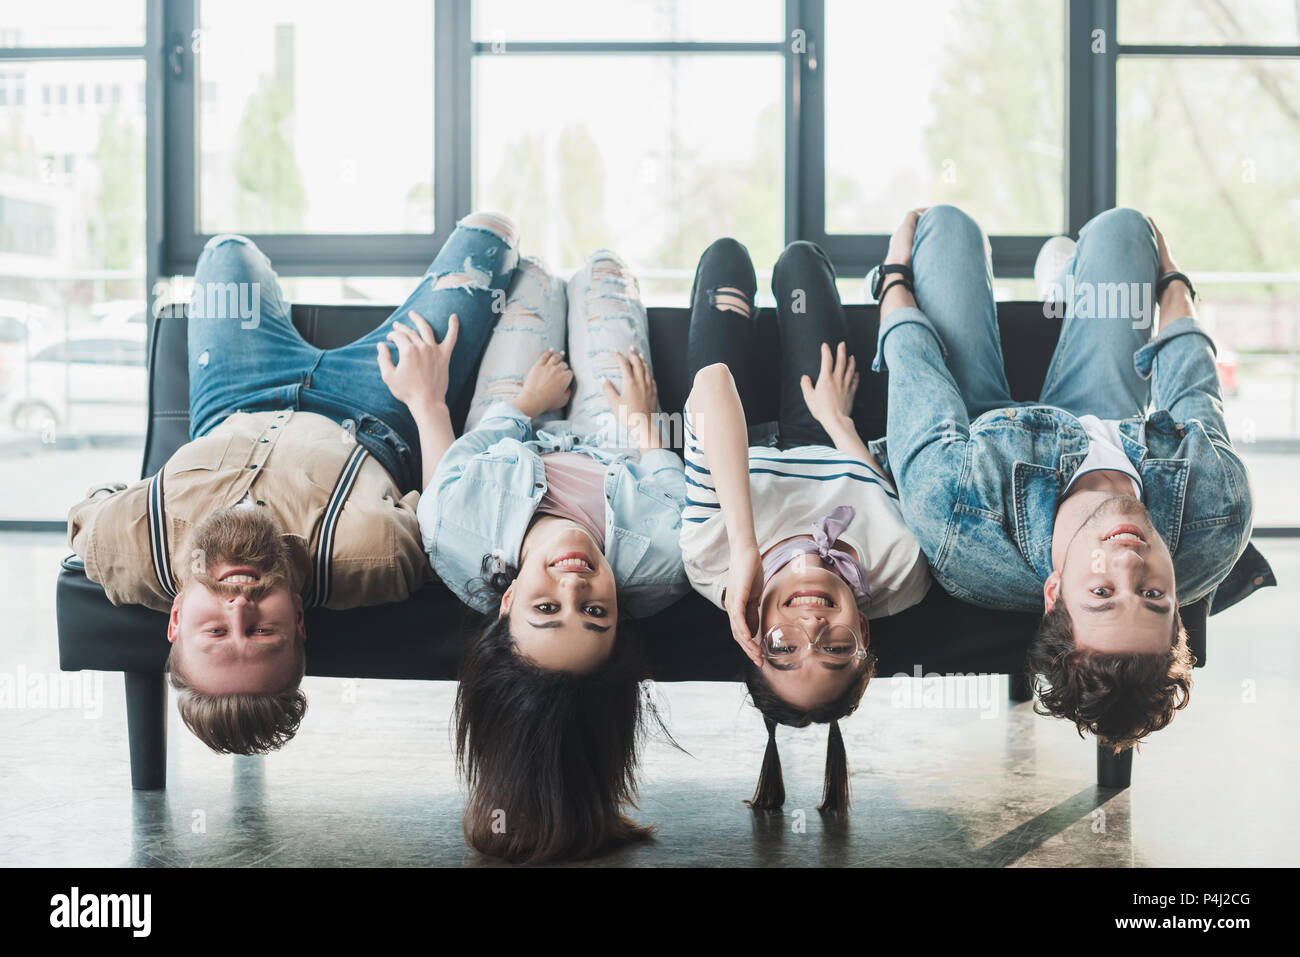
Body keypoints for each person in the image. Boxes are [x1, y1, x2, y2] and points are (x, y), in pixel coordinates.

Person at [68, 211, 521, 754]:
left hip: (236, 390)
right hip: (378, 402)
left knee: (226, 249)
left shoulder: (120, 546)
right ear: (300, 620)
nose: (240, 607)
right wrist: (427, 400)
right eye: (263, 633)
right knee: (487, 236)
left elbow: (90, 508)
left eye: (215, 632)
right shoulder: (373, 557)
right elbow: (450, 509)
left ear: (176, 620)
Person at [869, 204, 1266, 752]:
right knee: (1126, 228)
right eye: (1153, 595)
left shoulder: (956, 510)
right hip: (1108, 411)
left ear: (1053, 594)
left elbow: (914, 363)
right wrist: (1172, 277)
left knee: (946, 226)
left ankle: (1065, 294)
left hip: (989, 439)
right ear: (1181, 602)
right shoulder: (1218, 513)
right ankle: (1069, 290)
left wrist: (891, 275)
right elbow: (1190, 377)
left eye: (1102, 591)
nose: (1130, 562)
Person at [382, 249, 689, 864]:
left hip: (511, 419)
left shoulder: (454, 529)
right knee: (605, 270)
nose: (575, 585)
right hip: (614, 437)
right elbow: (667, 480)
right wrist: (644, 424)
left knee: (538, 278)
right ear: (621, 618)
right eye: (596, 614)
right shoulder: (663, 560)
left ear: (507, 602)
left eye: (548, 608)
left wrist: (524, 402)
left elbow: (470, 453)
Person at [680, 238, 931, 813]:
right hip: (824, 430)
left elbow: (715, 381)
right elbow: (883, 488)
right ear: (863, 634)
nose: (812, 624)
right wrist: (839, 422)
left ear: (752, 631)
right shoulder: (900, 573)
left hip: (736, 445)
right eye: (835, 646)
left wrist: (746, 545)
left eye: (784, 646)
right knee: (800, 261)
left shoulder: (711, 558)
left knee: (724, 258)